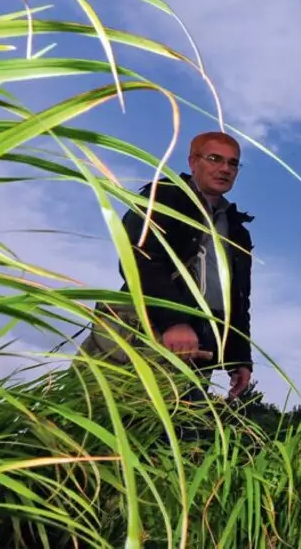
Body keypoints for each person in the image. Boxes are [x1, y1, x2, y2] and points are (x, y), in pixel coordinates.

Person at [112, 130, 255, 400]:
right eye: (215, 158)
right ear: (193, 161)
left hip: (204, 340)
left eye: (233, 163)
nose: (225, 168)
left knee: (184, 430)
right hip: (150, 331)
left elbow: (238, 298)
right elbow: (138, 259)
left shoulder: (237, 230)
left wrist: (239, 356)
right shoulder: (164, 198)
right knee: (123, 416)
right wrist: (173, 321)